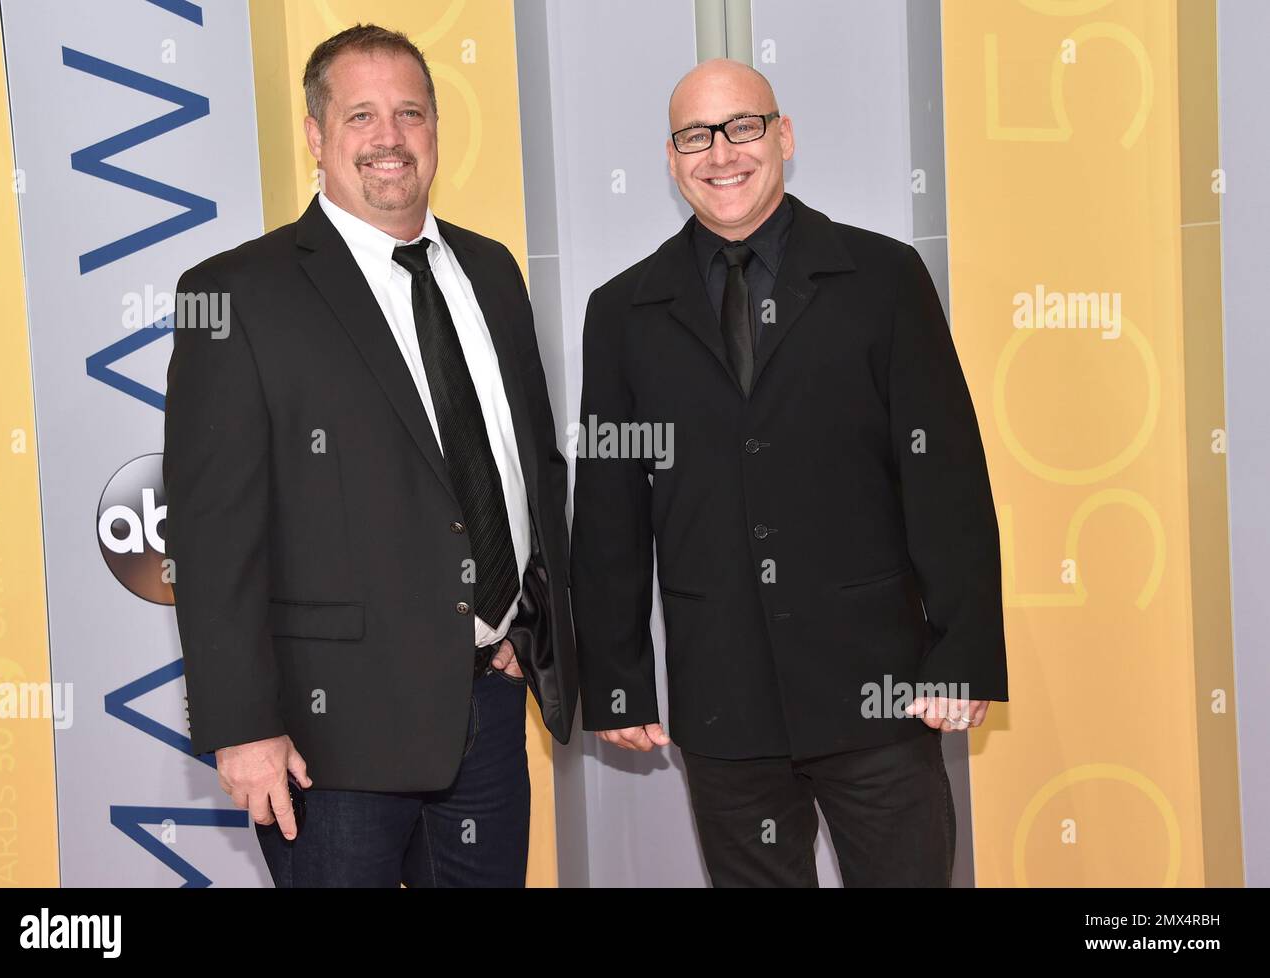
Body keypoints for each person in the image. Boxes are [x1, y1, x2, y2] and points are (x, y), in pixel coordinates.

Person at [570, 58, 1008, 887]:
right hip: (723, 701)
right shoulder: (621, 310)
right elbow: (608, 511)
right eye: (695, 135)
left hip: (881, 695)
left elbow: (944, 476)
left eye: (742, 127)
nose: (720, 153)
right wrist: (618, 679)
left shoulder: (882, 279)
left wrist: (965, 652)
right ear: (671, 159)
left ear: (784, 137)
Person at [163, 23, 574, 888]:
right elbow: (212, 534)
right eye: (360, 116)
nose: (389, 138)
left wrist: (525, 619)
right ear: (317, 136)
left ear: (434, 130)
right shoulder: (235, 294)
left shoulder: (493, 271)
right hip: (328, 742)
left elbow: (525, 463)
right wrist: (242, 727)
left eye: (410, 114)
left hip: (489, 711)